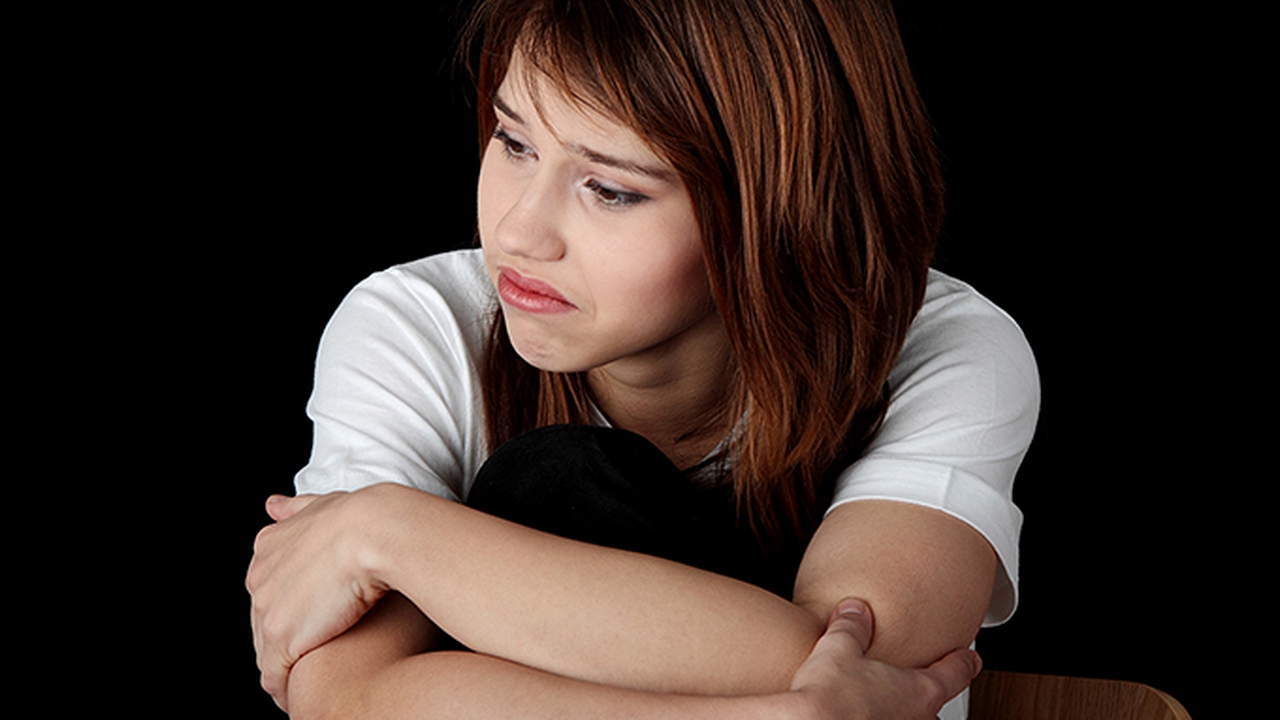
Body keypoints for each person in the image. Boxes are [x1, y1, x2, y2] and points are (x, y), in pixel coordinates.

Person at [246, 0, 1040, 717]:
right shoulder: (416, 327)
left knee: (559, 479)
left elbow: (864, 666)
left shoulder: (945, 349)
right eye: (514, 142)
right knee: (553, 479)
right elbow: (345, 695)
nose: (519, 232)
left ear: (775, 208)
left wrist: (390, 531)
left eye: (611, 190)